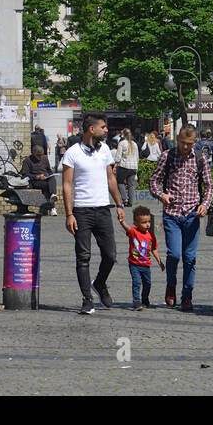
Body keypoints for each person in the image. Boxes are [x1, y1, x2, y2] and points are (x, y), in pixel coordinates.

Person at [61, 112, 125, 315]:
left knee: (110, 255)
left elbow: (111, 179)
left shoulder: (105, 149)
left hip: (103, 209)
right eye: (103, 127)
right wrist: (69, 214)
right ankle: (87, 299)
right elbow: (66, 185)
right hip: (81, 211)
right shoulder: (72, 153)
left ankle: (100, 283)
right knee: (83, 256)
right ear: (92, 129)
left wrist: (120, 204)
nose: (106, 130)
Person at [149, 125, 213, 312]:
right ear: (177, 139)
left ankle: (187, 295)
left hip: (192, 214)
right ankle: (171, 286)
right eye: (182, 143)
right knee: (175, 254)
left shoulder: (200, 158)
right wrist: (162, 195)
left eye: (189, 144)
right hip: (172, 214)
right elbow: (153, 181)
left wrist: (205, 204)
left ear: (195, 142)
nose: (185, 147)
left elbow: (209, 186)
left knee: (189, 257)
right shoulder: (167, 156)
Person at [118, 204, 164, 309]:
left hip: (146, 265)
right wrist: (122, 221)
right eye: (144, 222)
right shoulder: (134, 232)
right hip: (134, 264)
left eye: (149, 222)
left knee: (147, 284)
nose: (147, 224)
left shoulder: (151, 236)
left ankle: (145, 299)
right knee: (137, 282)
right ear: (136, 223)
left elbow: (154, 249)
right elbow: (127, 228)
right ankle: (136, 302)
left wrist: (159, 261)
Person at [19, 140, 58, 216]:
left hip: (46, 178)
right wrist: (37, 177)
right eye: (38, 155)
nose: (40, 157)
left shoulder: (45, 158)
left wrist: (49, 175)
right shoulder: (27, 161)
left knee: (52, 178)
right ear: (33, 154)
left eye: (41, 155)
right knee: (47, 186)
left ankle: (53, 195)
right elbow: (25, 174)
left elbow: (49, 170)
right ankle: (52, 207)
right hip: (35, 181)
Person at [114, 129, 140, 207]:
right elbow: (137, 157)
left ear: (123, 135)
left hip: (124, 166)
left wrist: (115, 164)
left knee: (120, 182)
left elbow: (118, 156)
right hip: (133, 166)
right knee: (131, 185)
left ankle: (124, 199)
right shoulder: (134, 144)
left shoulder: (122, 143)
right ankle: (131, 202)